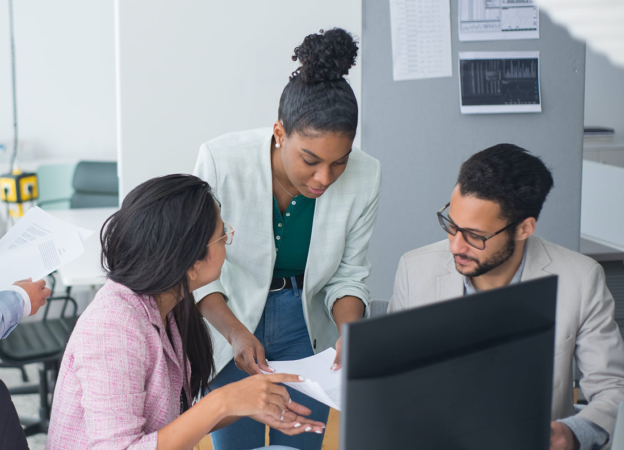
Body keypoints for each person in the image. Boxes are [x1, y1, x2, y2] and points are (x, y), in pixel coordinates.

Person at [193, 28, 381, 450]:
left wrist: (351, 336)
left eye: (339, 163)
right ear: (280, 132)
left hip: (307, 328)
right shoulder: (222, 162)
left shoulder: (367, 176)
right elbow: (197, 270)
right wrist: (237, 333)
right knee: (236, 444)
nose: (324, 178)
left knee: (301, 442)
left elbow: (349, 275)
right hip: (230, 320)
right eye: (311, 160)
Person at [46, 174, 324, 450]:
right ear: (191, 263)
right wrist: (223, 401)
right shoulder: (113, 328)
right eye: (221, 235)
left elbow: (169, 423)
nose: (227, 239)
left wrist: (243, 405)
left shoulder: (169, 305)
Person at [388, 144, 624, 450]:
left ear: (524, 228)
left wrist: (572, 432)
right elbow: (391, 378)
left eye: (475, 235)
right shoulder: (414, 269)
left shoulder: (581, 278)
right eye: (451, 225)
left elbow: (614, 389)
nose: (456, 246)